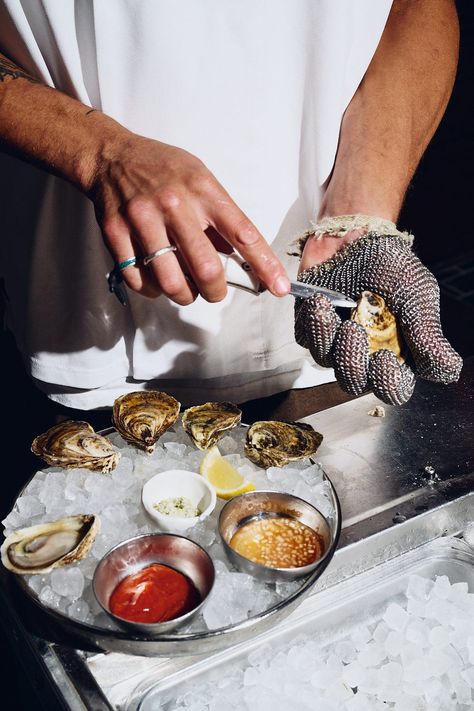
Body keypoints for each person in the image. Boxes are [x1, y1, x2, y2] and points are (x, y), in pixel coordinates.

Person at [0, 0, 462, 416]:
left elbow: (415, 7)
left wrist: (359, 213)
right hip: (88, 345)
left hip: (329, 359)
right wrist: (101, 155)